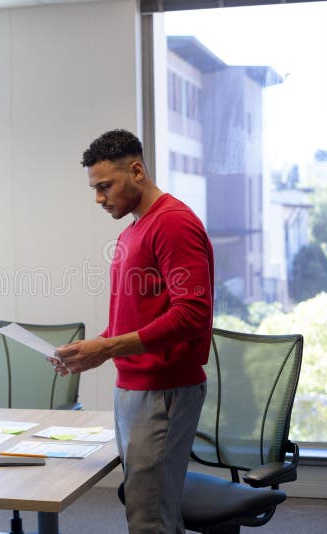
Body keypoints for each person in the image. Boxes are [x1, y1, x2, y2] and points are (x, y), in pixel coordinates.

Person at [51, 129, 214, 533]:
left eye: (105, 186)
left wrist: (107, 349)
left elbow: (191, 313)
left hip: (163, 389)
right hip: (136, 387)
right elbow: (136, 316)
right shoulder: (133, 230)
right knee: (148, 509)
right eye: (94, 188)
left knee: (150, 520)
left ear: (137, 171)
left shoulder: (172, 224)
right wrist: (94, 349)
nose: (99, 198)